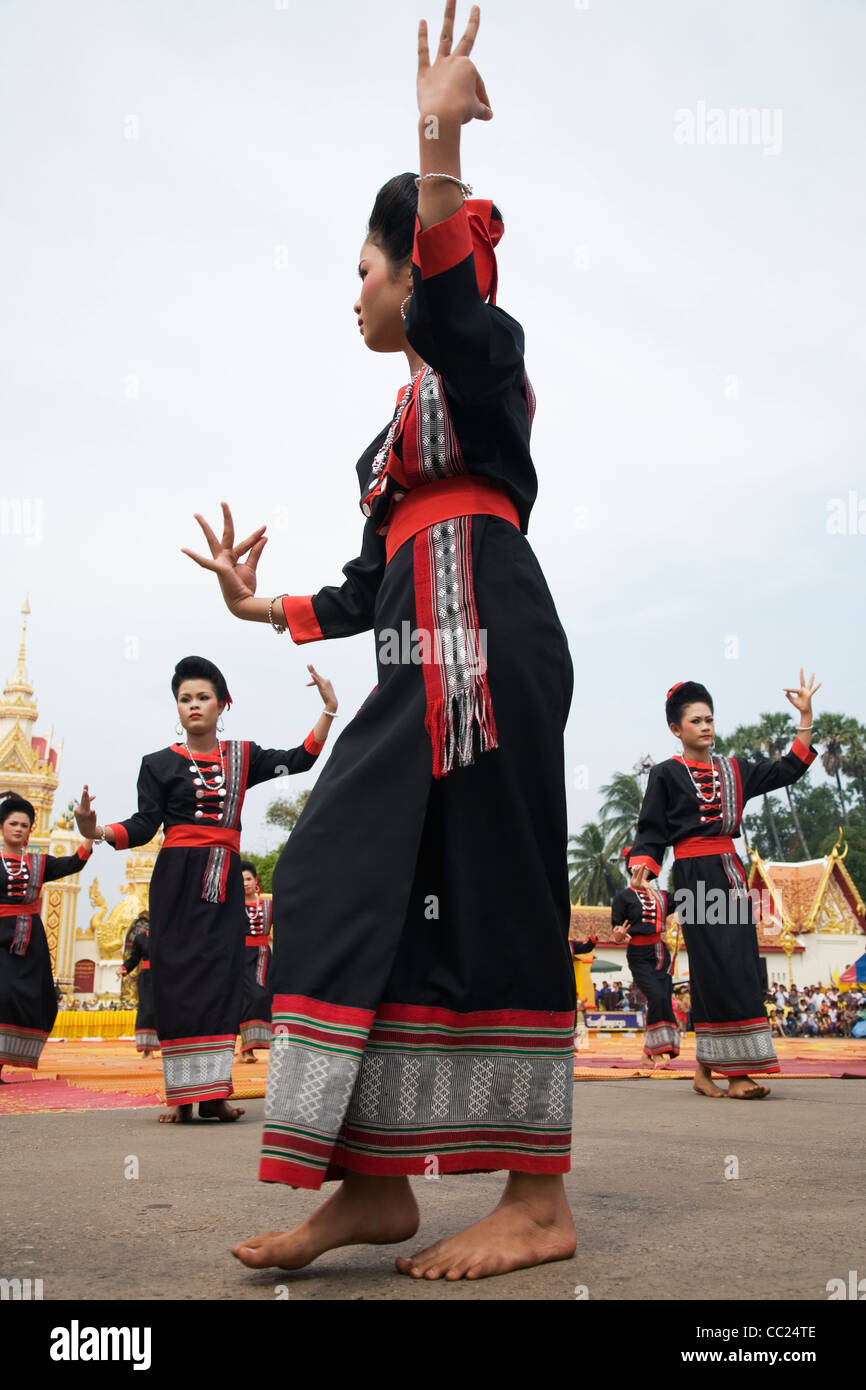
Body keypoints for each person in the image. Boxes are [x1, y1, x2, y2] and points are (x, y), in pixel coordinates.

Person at [184, 4, 577, 1281]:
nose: (352, 288)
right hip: (419, 670)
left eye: (366, 265)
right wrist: (264, 613)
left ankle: (535, 1198)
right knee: (327, 881)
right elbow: (367, 582)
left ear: (413, 269)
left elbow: (460, 315)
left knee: (503, 886)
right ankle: (369, 1185)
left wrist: (435, 146)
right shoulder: (388, 441)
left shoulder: (480, 359)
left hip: (495, 654)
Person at [74, 655, 337, 1123]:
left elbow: (298, 760)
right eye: (184, 699)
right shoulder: (156, 764)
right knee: (178, 977)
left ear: (222, 705)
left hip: (224, 880)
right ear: (177, 708)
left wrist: (329, 709)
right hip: (176, 879)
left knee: (220, 976)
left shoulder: (244, 756)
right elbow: (143, 825)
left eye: (202, 698)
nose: (193, 705)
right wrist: (95, 830)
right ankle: (181, 1099)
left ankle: (214, 1097)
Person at [629, 674, 820, 1099]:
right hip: (694, 877)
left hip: (731, 874)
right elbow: (651, 831)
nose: (706, 727)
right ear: (676, 729)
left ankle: (706, 1070)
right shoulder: (665, 774)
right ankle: (736, 1075)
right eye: (695, 720)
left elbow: (789, 769)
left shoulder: (736, 769)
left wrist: (805, 717)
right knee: (718, 966)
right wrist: (643, 867)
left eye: (710, 719)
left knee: (739, 965)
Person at [0, 793, 93, 1081]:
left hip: (30, 943)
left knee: (29, 998)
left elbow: (73, 863)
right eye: (13, 823)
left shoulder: (39, 864)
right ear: (2, 826)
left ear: (30, 830)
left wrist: (88, 831)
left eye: (24, 825)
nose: (18, 829)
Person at [611, 863, 680, 1068]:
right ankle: (658, 1051)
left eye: (645, 863)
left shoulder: (664, 896)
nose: (640, 867)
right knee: (657, 996)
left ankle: (648, 1053)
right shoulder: (623, 898)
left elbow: (689, 896)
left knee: (663, 999)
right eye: (635, 864)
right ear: (629, 868)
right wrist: (618, 936)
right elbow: (616, 931)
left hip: (661, 953)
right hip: (638, 954)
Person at [237, 861, 273, 1064]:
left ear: (256, 881)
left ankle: (253, 1047)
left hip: (264, 956)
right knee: (248, 998)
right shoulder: (233, 906)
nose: (245, 883)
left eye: (248, 879)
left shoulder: (268, 905)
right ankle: (246, 1048)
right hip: (241, 956)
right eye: (241, 880)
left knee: (264, 997)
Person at [117, 913, 157, 1056]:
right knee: (147, 1011)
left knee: (165, 1011)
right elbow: (134, 958)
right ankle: (147, 1050)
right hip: (147, 979)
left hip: (165, 978)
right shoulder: (141, 938)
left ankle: (169, 1048)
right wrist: (124, 968)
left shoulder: (169, 936)